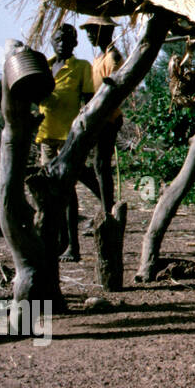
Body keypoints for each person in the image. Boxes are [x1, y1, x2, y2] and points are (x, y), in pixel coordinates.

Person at [35, 23, 94, 261]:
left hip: (68, 137)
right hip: (46, 135)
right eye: (58, 39)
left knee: (67, 191)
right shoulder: (44, 66)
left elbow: (89, 99)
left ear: (75, 43)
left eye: (68, 40)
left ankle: (73, 245)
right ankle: (54, 241)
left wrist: (82, 128)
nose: (62, 43)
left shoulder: (81, 67)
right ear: (52, 41)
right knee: (48, 192)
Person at [80, 15, 124, 215]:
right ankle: (108, 205)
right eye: (88, 31)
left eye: (93, 30)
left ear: (106, 32)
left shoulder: (112, 58)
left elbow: (114, 91)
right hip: (96, 116)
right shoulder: (98, 58)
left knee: (101, 165)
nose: (89, 35)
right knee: (91, 165)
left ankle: (108, 211)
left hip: (107, 118)